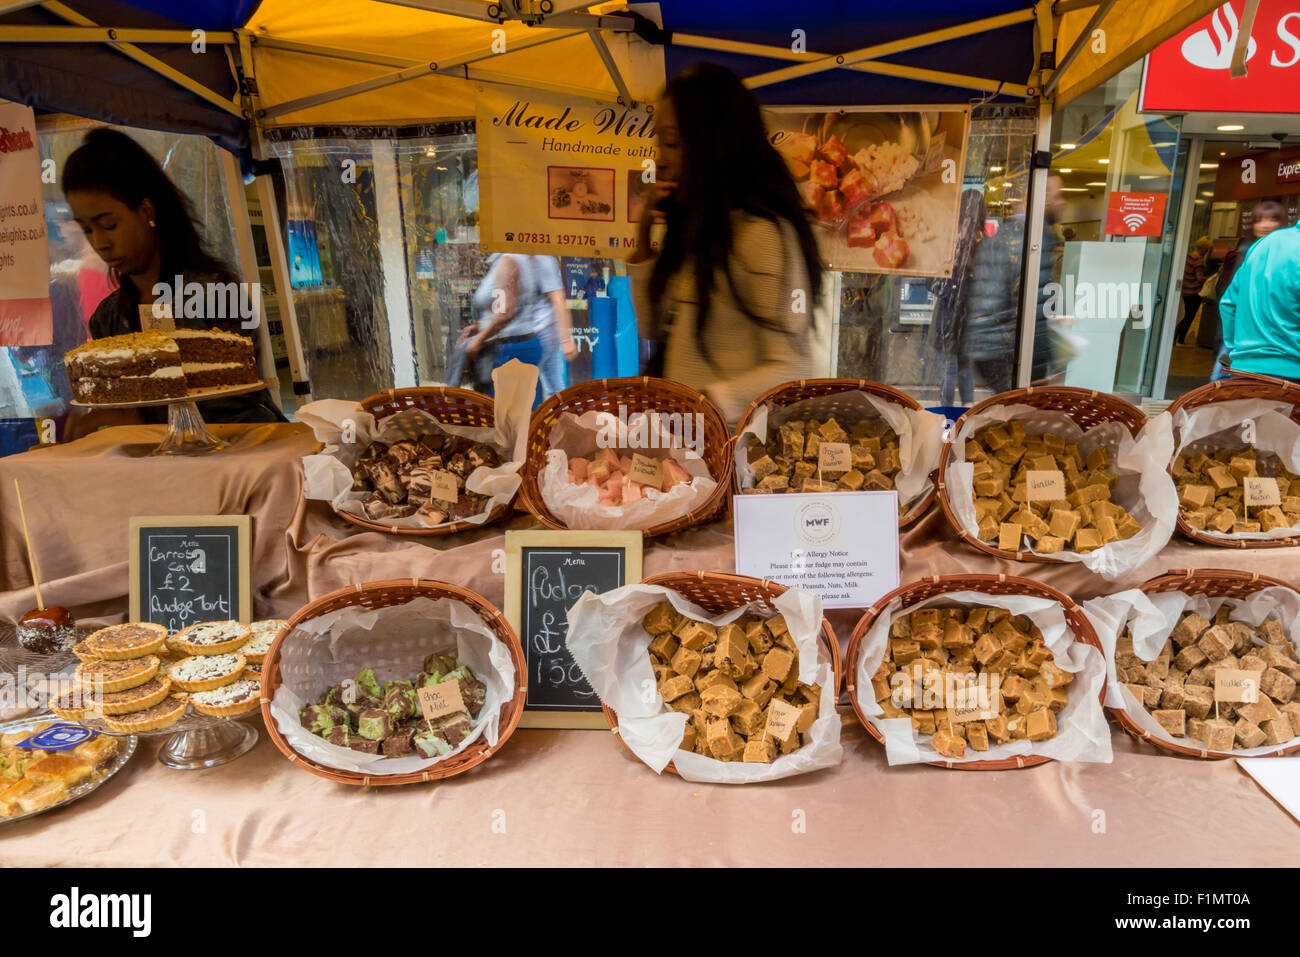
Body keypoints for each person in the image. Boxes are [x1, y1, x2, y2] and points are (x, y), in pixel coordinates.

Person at [627, 63, 824, 424]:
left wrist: (702, 403)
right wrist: (643, 235)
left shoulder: (762, 235)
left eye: (671, 142)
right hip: (687, 444)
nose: (661, 159)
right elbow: (652, 328)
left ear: (712, 144)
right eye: (659, 142)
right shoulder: (699, 224)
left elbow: (792, 369)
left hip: (730, 453)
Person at [60, 129, 284, 430]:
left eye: (109, 225)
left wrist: (134, 416)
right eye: (87, 229)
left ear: (147, 211)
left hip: (242, 458)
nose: (100, 242)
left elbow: (232, 403)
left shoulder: (216, 292)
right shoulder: (108, 318)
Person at [931, 189, 1015, 405]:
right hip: (973, 317)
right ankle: (966, 412)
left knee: (949, 369)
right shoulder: (986, 241)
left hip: (949, 315)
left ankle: (947, 418)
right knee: (965, 369)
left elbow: (934, 282)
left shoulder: (952, 241)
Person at [1210, 200, 1286, 381]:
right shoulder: (1245, 252)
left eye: (1272, 219)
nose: (1265, 225)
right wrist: (1227, 339)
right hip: (1241, 337)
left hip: (1275, 339)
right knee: (1223, 386)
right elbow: (1229, 299)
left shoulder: (1287, 252)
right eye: (1259, 220)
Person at [1218, 215, 1300, 383]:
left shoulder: (1264, 244)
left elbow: (1228, 305)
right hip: (1292, 374)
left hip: (1244, 371)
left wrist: (1238, 350)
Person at [459, 252, 547, 407]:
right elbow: (511, 306)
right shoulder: (520, 258)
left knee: (502, 415)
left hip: (509, 349)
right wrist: (480, 326)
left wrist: (479, 339)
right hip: (518, 345)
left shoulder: (507, 260)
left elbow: (506, 311)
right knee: (522, 414)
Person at [1031, 173, 1066, 384]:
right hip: (1030, 354)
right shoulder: (1039, 239)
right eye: (1058, 195)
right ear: (1043, 198)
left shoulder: (1044, 237)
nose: (1062, 201)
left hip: (1032, 353)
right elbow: (1036, 311)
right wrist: (1049, 362)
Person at [528, 254, 576, 398]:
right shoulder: (530, 259)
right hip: (544, 333)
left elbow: (558, 299)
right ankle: (561, 417)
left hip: (541, 334)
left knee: (549, 388)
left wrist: (566, 340)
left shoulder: (543, 259)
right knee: (554, 388)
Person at [1175, 236, 1212, 345]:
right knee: (1189, 317)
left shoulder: (1189, 257)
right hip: (1194, 292)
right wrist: (1211, 278)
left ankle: (1180, 340)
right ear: (1204, 249)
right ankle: (1175, 336)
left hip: (1185, 291)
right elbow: (1199, 278)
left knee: (1188, 315)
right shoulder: (1198, 260)